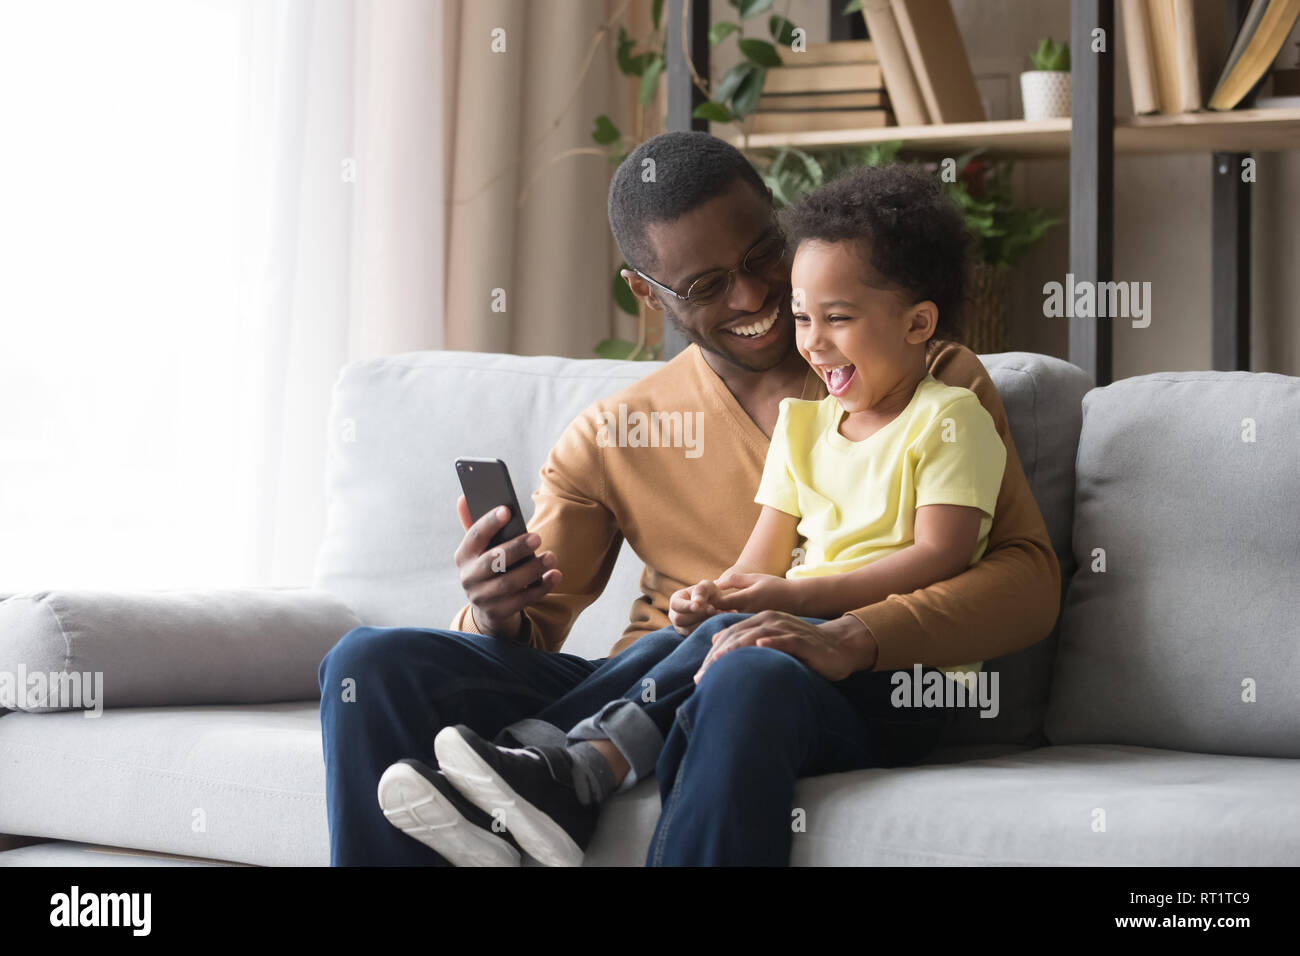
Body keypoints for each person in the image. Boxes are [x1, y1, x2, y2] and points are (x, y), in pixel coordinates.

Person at [318, 131, 1060, 867]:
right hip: (658, 672)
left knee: (749, 666)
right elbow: (529, 636)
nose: (755, 297)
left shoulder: (921, 380)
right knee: (369, 665)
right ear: (646, 291)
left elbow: (1025, 583)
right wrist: (492, 608)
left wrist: (850, 635)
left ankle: (557, 770)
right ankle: (549, 771)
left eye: (762, 254)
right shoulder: (612, 434)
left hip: (812, 683)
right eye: (705, 286)